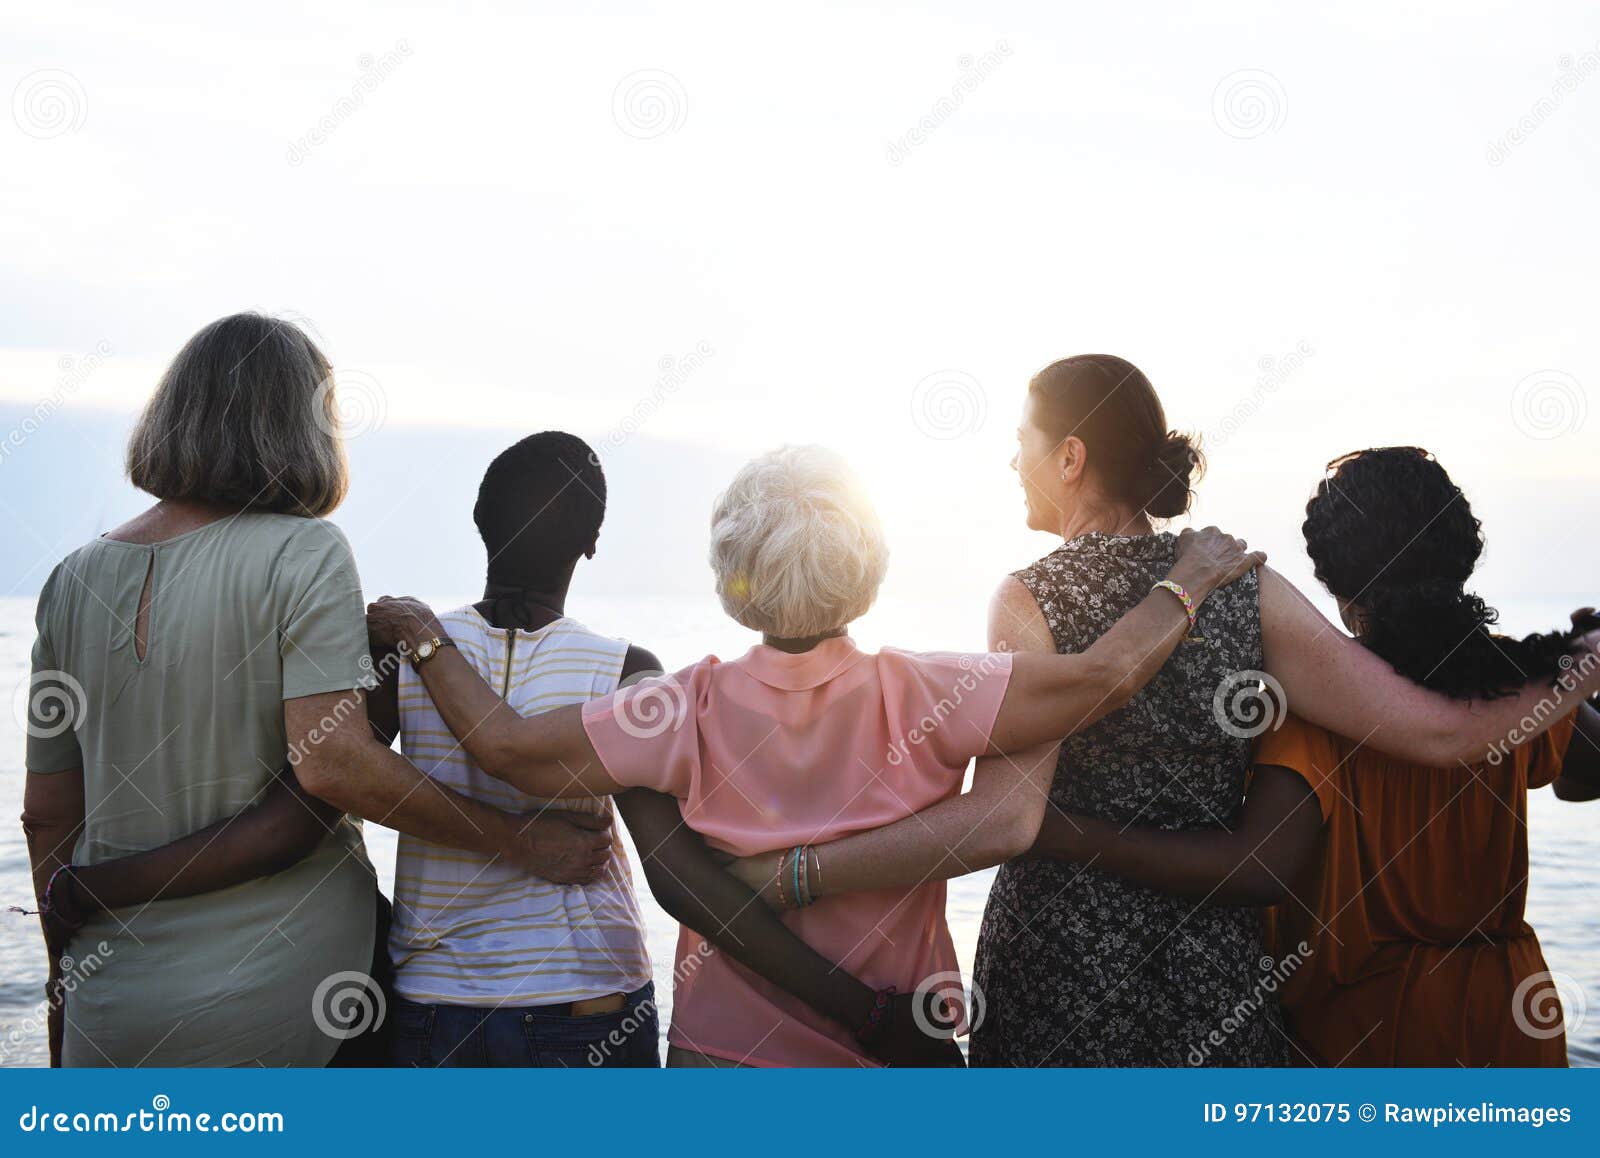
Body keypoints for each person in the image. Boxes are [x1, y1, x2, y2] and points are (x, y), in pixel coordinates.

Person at [711, 357, 1600, 1067]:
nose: (1009, 462)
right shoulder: (1247, 584)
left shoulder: (1030, 596)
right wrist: (1575, 669)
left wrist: (796, 872)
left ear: (1071, 458)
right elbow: (1439, 730)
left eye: (1021, 442)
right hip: (1212, 971)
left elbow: (1009, 817)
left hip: (1061, 960)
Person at [367, 442, 1268, 1065]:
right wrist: (1182, 584)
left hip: (724, 1058)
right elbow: (1104, 679)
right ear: (866, 560)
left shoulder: (681, 705)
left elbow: (506, 745)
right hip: (891, 1052)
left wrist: (422, 637)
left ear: (731, 568)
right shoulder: (932, 693)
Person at [20, 314, 647, 1066]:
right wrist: (522, 842)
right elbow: (333, 767)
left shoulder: (69, 581)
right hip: (295, 1001)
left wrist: (67, 986)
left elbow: (47, 816)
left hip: (117, 1008)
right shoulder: (304, 551)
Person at [1028, 447, 1600, 1065]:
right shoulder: (1516, 686)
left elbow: (1257, 869)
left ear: (1336, 581)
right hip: (1510, 1018)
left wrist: (1065, 834)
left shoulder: (1319, 707)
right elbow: (1583, 776)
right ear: (1460, 554)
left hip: (1367, 1032)